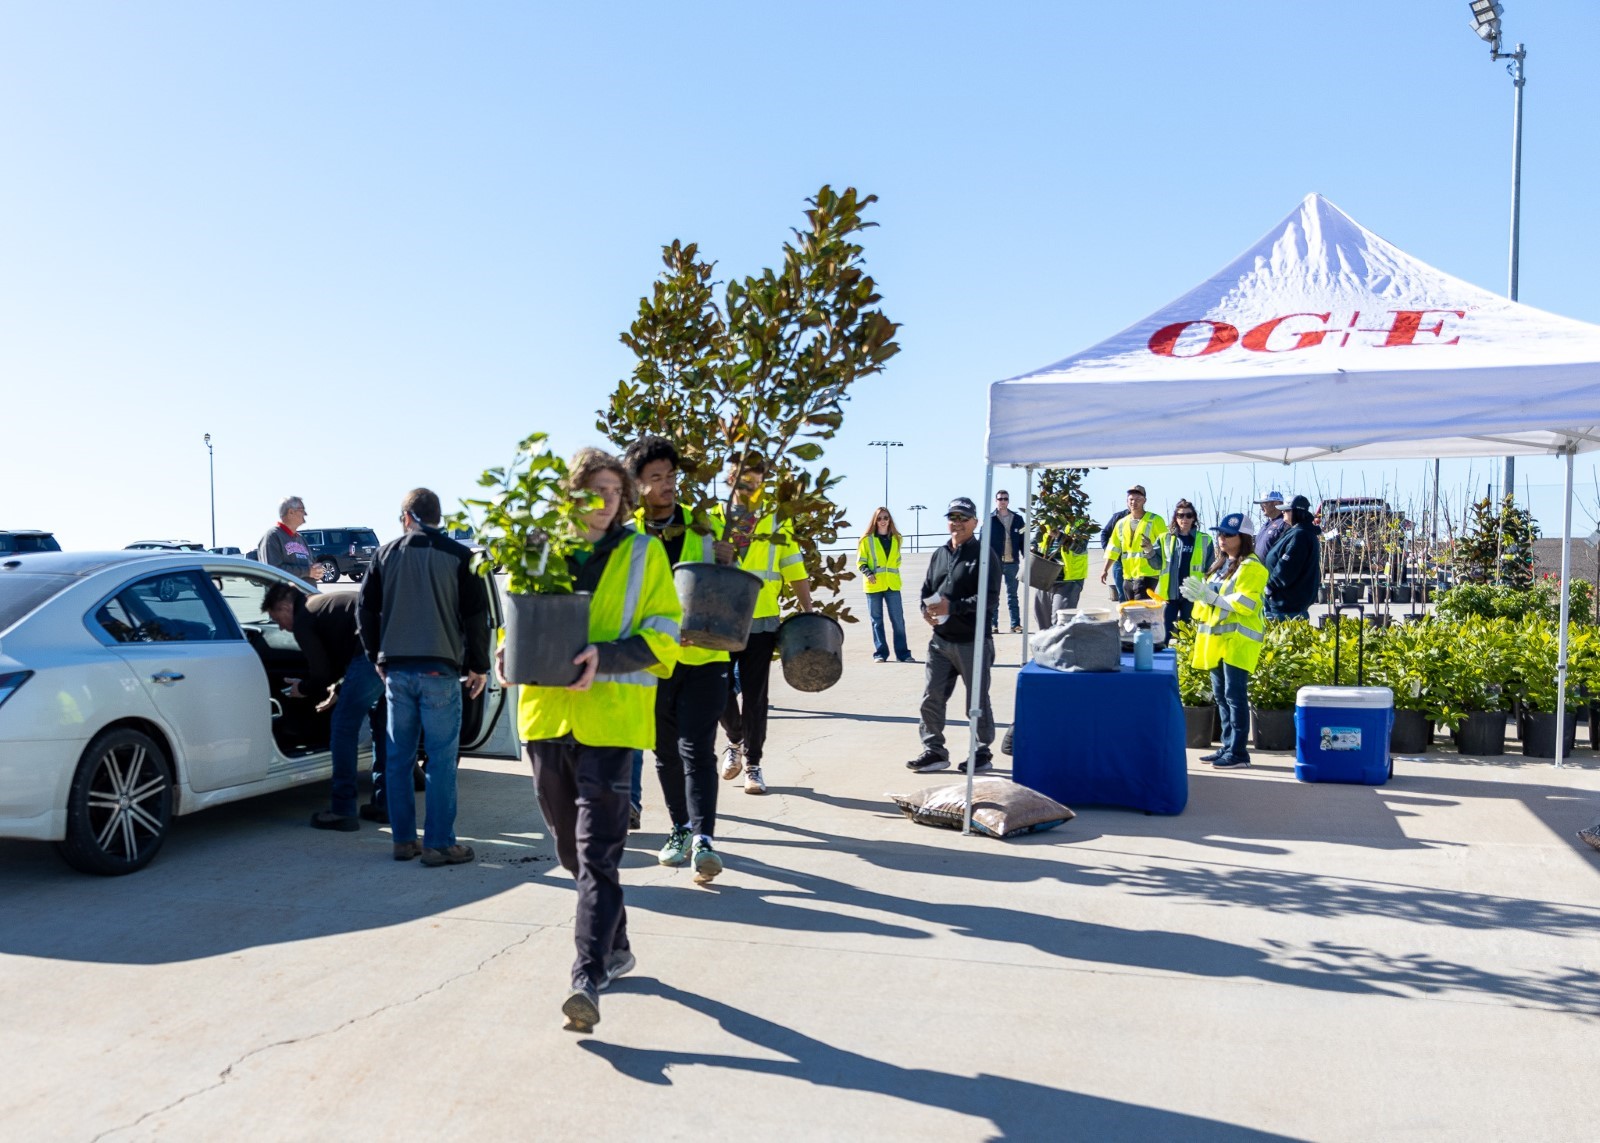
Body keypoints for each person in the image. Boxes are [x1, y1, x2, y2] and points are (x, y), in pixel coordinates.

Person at [510, 447, 681, 1034]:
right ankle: (618, 944)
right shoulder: (536, 549)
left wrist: (604, 657)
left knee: (598, 853)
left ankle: (587, 976)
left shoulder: (643, 553)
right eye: (594, 490)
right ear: (572, 495)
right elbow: (516, 621)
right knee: (572, 854)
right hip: (546, 719)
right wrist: (506, 654)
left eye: (614, 491)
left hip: (611, 723)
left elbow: (665, 633)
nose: (606, 500)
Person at [357, 488, 490, 866]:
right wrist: (478, 665)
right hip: (440, 670)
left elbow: (364, 610)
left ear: (406, 517)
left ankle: (403, 841)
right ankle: (439, 844)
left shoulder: (384, 555)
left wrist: (375, 656)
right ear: (437, 517)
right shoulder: (459, 555)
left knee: (398, 759)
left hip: (397, 671)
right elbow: (476, 616)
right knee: (441, 761)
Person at [626, 434, 732, 882]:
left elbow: (726, 587)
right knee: (665, 752)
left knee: (697, 749)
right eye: (656, 477)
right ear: (638, 484)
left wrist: (727, 560)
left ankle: (704, 839)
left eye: (671, 475)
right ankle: (681, 828)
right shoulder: (626, 533)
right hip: (653, 660)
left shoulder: (703, 525)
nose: (667, 484)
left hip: (705, 656)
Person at [715, 453, 815, 796]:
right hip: (721, 620)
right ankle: (735, 738)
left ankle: (753, 764)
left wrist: (808, 612)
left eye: (757, 483)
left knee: (756, 695)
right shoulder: (713, 519)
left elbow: (794, 568)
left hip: (762, 619)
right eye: (744, 481)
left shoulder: (775, 521)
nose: (751, 488)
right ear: (730, 480)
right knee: (717, 687)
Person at [263, 581, 387, 831]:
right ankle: (386, 805)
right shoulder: (322, 605)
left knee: (342, 728)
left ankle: (342, 810)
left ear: (285, 607)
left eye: (277, 619)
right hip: (392, 652)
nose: (281, 628)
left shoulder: (304, 618)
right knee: (383, 730)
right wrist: (338, 690)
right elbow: (339, 659)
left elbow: (321, 672)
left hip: (369, 657)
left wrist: (303, 688)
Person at [907, 497, 1001, 773]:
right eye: (953, 517)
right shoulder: (940, 554)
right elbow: (927, 588)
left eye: (963, 518)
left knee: (977, 701)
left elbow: (990, 598)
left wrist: (954, 607)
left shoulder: (984, 555)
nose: (957, 523)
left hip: (973, 641)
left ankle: (981, 752)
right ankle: (934, 750)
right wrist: (925, 609)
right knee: (932, 697)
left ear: (975, 522)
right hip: (940, 641)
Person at [1181, 513, 1267, 769]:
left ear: (1244, 538)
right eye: (1220, 533)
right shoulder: (1220, 565)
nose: (1222, 538)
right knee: (1221, 696)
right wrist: (1201, 598)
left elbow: (1247, 603)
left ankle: (1239, 753)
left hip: (1238, 641)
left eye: (1228, 534)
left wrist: (1212, 598)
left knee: (1234, 696)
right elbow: (1205, 606)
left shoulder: (1252, 567)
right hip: (1217, 641)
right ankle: (1228, 746)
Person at [858, 507, 912, 663]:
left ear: (890, 520)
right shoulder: (866, 540)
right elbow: (861, 562)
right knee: (877, 621)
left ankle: (903, 654)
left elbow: (897, 560)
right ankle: (880, 654)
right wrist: (869, 573)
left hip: (892, 585)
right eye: (880, 518)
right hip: (873, 584)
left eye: (885, 518)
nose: (883, 521)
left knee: (898, 621)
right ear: (875, 521)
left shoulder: (897, 539)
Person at [1154, 499, 1214, 632]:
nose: (1184, 519)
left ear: (1194, 518)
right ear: (1175, 518)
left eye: (1188, 515)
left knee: (1189, 633)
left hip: (1193, 594)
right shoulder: (1164, 538)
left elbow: (1211, 570)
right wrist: (1148, 551)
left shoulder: (1205, 539)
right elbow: (1155, 564)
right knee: (1165, 632)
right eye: (1180, 515)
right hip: (1169, 594)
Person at [1100, 486, 1165, 600]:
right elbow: (1114, 548)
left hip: (1148, 573)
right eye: (1131, 499)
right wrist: (1105, 570)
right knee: (1131, 607)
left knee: (1140, 606)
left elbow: (1166, 546)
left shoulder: (1155, 520)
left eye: (1138, 499)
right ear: (1127, 501)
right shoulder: (1121, 523)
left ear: (1144, 501)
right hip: (1128, 575)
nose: (1134, 502)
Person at [1263, 494, 1322, 621]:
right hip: (1284, 603)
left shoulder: (1300, 535)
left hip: (1286, 606)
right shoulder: (1296, 531)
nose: (1282, 512)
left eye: (1286, 510)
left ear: (1297, 512)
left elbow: (1287, 568)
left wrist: (1269, 587)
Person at [1031, 523, 1090, 629]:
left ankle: (1061, 640)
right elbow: (1035, 541)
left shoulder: (1079, 524)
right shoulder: (1046, 522)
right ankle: (1047, 640)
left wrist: (1059, 536)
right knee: (1042, 620)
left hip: (1069, 581)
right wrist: (1032, 547)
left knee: (1061, 621)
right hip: (1045, 577)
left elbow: (1080, 548)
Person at [986, 491, 1026, 633]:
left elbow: (1023, 540)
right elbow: (982, 541)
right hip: (994, 564)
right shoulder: (989, 519)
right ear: (996, 500)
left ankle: (1015, 625)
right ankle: (993, 625)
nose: (1002, 501)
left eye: (1005, 499)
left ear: (1008, 501)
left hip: (1012, 562)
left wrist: (1026, 557)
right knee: (993, 595)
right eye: (1000, 499)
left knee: (1012, 595)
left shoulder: (1018, 519)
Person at [255, 496, 314, 580]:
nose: (306, 514)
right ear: (291, 512)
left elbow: (310, 566)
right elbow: (273, 571)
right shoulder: (272, 537)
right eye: (302, 510)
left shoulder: (301, 539)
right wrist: (307, 572)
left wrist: (316, 571)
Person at [1099, 506, 1129, 602]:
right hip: (1119, 562)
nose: (1134, 502)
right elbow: (1104, 534)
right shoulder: (1118, 517)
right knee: (1123, 593)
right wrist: (1108, 550)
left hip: (1139, 564)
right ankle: (1125, 611)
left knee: (1140, 595)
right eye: (1131, 499)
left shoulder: (1146, 518)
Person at [1256, 491, 1288, 555]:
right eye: (1260, 504)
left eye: (1264, 504)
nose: (1261, 508)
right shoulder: (1265, 525)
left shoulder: (1284, 524)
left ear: (1276, 503)